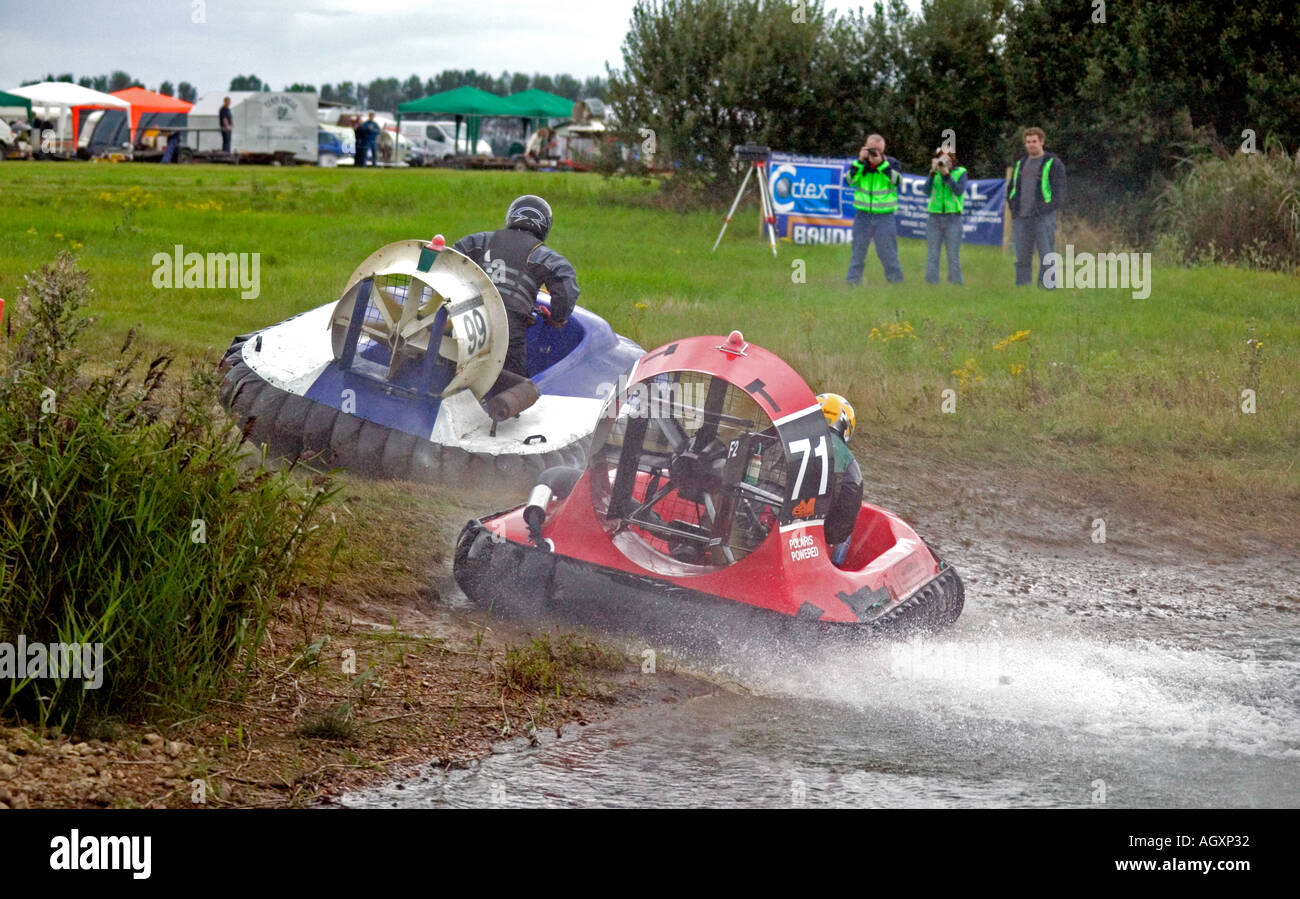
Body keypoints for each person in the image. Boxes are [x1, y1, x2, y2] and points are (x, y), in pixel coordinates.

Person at [452, 195, 577, 380]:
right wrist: (558, 317)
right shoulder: (542, 255)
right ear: (545, 227)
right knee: (514, 386)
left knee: (447, 367)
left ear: (511, 217)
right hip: (509, 332)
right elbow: (565, 284)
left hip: (465, 322)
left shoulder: (480, 241)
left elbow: (450, 258)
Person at [1009, 126, 1067, 287]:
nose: (1031, 145)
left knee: (1046, 255)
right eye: (1028, 142)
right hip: (1021, 217)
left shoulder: (1053, 163)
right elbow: (1012, 188)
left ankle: (1047, 287)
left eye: (1034, 141)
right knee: (1022, 256)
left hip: (1043, 217)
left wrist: (1044, 208)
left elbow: (1059, 193)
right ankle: (1023, 287)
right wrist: (1013, 207)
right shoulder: (1021, 163)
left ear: (1042, 142)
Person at [843, 134, 904, 285]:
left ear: (883, 150)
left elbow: (897, 181)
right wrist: (859, 162)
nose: (873, 153)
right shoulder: (860, 164)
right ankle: (852, 282)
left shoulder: (891, 163)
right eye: (871, 149)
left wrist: (881, 165)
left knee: (888, 252)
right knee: (858, 251)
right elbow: (849, 181)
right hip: (863, 215)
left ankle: (896, 283)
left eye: (877, 150)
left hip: (884, 216)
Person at [817, 393, 863, 569]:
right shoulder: (848, 462)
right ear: (845, 425)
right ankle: (832, 569)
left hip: (769, 521)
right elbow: (847, 510)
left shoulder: (784, 439)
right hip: (812, 539)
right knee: (846, 535)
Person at [922, 145, 969, 284]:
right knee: (932, 254)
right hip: (934, 217)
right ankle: (931, 283)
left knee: (953, 254)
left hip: (953, 217)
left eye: (947, 157)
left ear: (953, 159)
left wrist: (947, 175)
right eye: (940, 157)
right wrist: (932, 173)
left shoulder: (960, 172)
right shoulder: (935, 173)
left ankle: (955, 283)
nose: (943, 161)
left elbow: (959, 190)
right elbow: (926, 191)